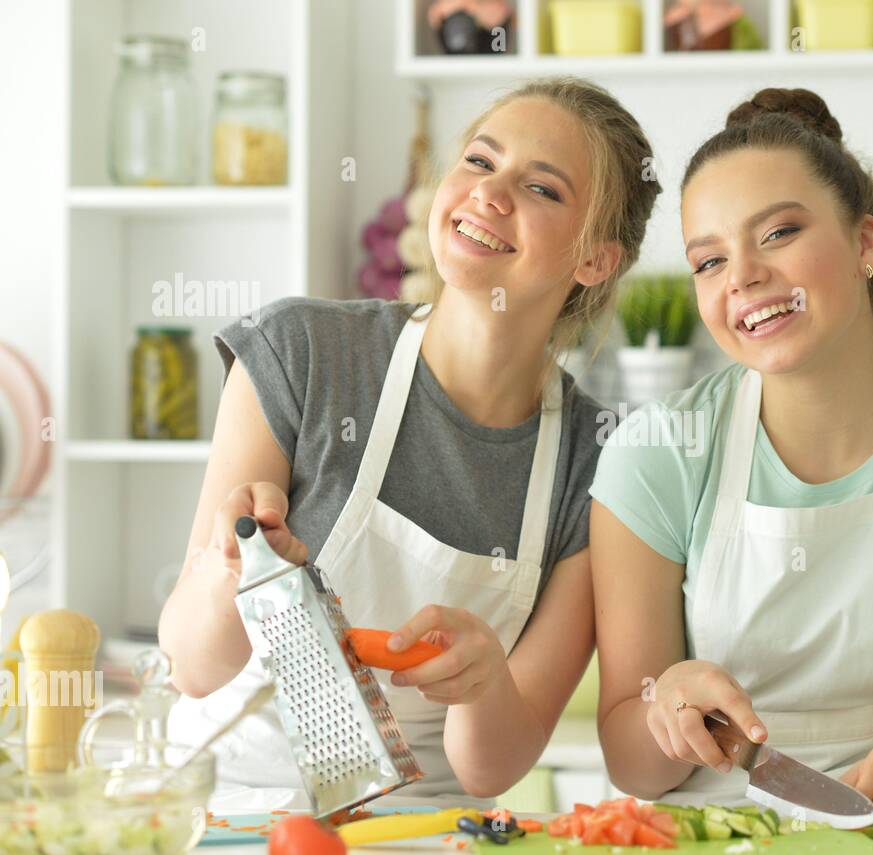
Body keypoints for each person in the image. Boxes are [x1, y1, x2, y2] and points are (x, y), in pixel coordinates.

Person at [161, 78, 660, 806]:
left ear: (595, 260)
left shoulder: (596, 462)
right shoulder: (302, 354)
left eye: (543, 189)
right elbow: (190, 665)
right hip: (221, 806)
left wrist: (486, 682)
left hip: (419, 832)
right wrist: (232, 573)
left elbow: (494, 768)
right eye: (481, 162)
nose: (490, 194)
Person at [589, 88, 873, 833]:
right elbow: (630, 761)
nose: (741, 276)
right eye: (709, 259)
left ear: (866, 245)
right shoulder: (652, 455)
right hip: (709, 841)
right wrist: (663, 706)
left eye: (778, 233)